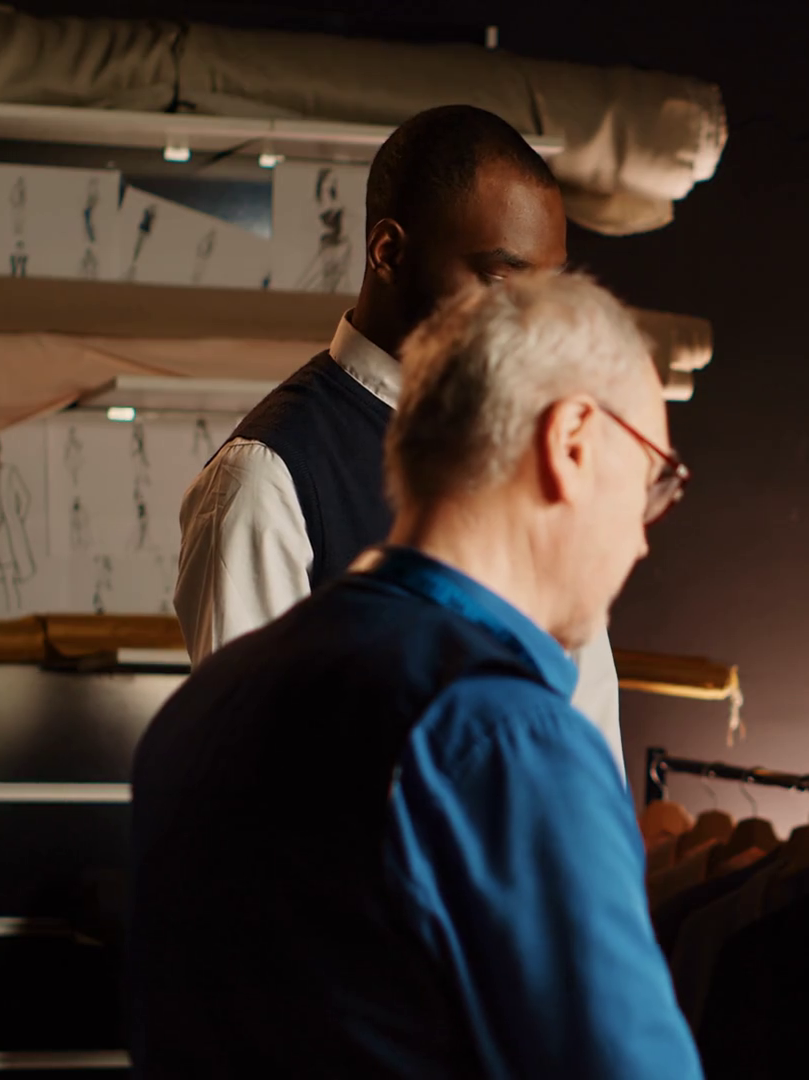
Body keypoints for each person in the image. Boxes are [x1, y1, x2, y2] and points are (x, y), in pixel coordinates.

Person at [130, 273, 699, 1078]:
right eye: (652, 481)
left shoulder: (197, 714)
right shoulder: (503, 739)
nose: (642, 541)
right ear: (572, 440)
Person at [173, 105, 628, 770]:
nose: (530, 322)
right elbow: (259, 789)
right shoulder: (269, 478)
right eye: (503, 281)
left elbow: (592, 740)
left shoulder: (535, 454)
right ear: (388, 251)